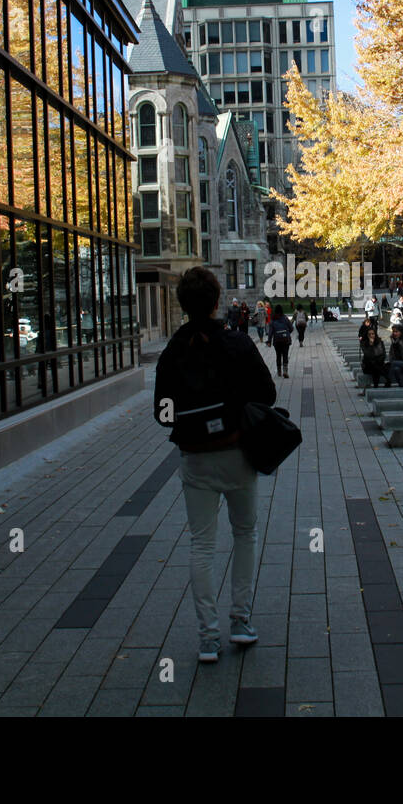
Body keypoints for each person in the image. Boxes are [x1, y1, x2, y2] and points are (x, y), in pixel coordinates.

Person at [153, 267, 276, 664]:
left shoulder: (173, 350)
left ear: (182, 305)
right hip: (238, 453)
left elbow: (163, 412)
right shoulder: (237, 343)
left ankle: (208, 637)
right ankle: (241, 621)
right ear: (217, 299)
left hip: (195, 459)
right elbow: (268, 393)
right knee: (245, 534)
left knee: (201, 544)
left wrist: (192, 419)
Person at [267, 305, 293, 377]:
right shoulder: (285, 318)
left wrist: (269, 341)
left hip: (277, 341)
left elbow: (270, 332)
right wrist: (287, 333)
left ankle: (279, 371)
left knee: (278, 355)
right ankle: (285, 371)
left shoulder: (273, 320)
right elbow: (291, 328)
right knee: (285, 355)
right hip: (285, 340)